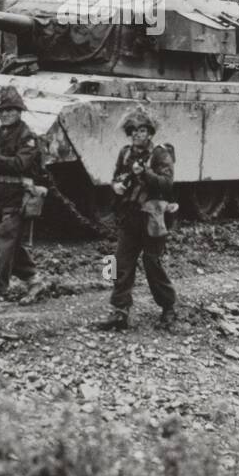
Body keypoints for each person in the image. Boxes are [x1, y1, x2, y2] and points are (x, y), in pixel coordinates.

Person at [94, 107, 177, 332]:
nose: (137, 135)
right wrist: (117, 186)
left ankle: (168, 307)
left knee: (153, 265)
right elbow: (116, 177)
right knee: (120, 264)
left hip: (152, 219)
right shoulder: (125, 153)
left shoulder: (160, 154)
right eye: (133, 131)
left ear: (150, 133)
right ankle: (119, 311)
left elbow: (167, 184)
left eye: (142, 131)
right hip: (130, 217)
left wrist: (144, 174)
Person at [0, 85, 44, 302]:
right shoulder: (1, 134)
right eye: (1, 111)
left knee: (6, 243)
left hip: (18, 194)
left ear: (18, 111)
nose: (5, 114)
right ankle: (34, 281)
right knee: (8, 243)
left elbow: (21, 163)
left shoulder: (27, 136)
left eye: (9, 110)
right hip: (0, 192)